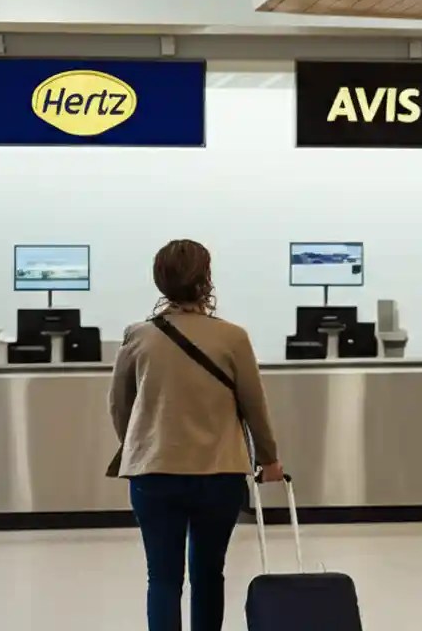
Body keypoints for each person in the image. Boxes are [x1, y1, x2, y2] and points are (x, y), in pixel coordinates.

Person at [108, 239, 283, 631]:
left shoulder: (138, 336)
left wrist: (139, 443)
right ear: (206, 280)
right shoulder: (233, 337)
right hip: (219, 475)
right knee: (208, 573)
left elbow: (120, 406)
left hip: (153, 473)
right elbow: (255, 406)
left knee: (163, 579)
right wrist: (269, 459)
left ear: (160, 281)